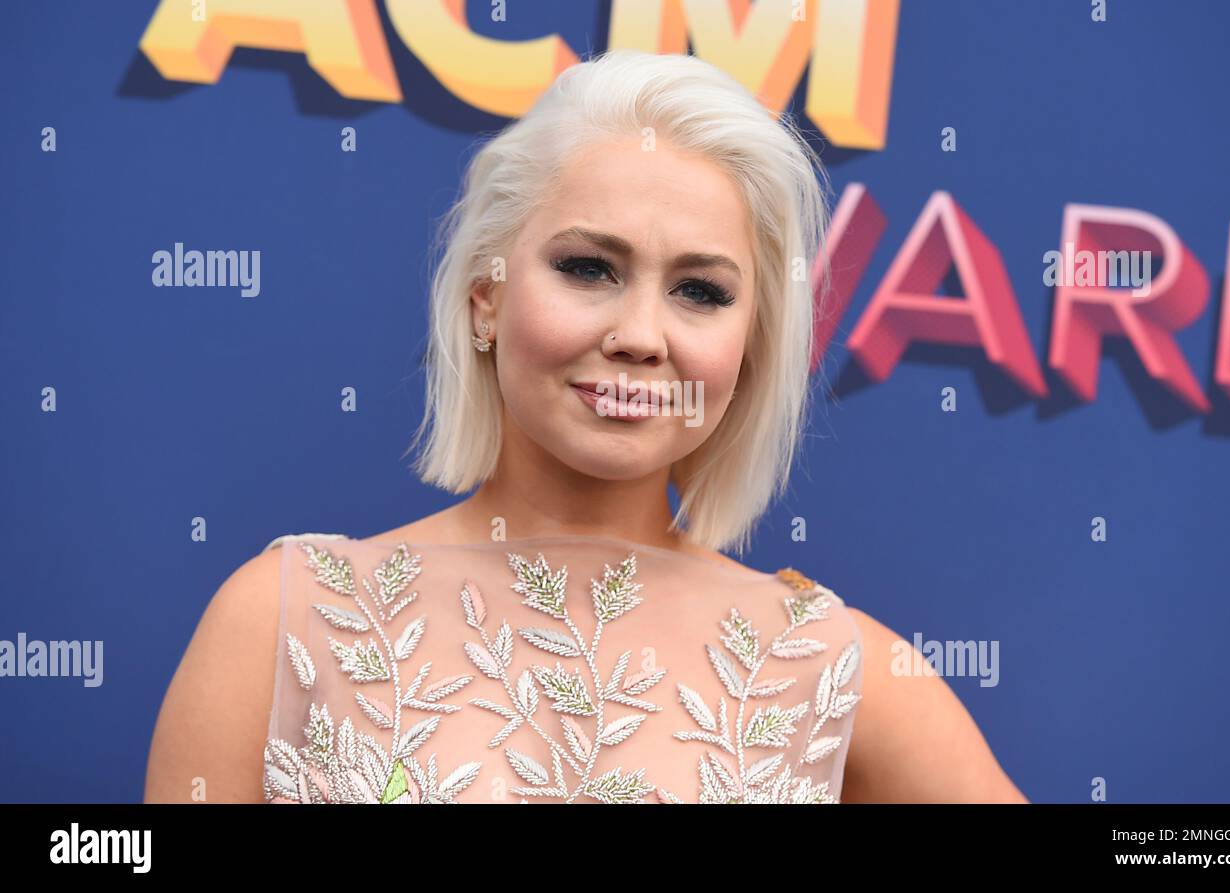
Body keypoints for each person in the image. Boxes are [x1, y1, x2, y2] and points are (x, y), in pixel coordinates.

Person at [144, 49, 1026, 804]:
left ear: (750, 348)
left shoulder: (834, 667)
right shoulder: (280, 621)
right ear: (485, 299)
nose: (640, 336)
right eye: (589, 268)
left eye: (700, 291)